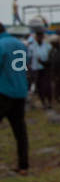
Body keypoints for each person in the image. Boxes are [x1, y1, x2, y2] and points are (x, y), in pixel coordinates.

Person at [0, 23, 30, 173]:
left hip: (3, 91)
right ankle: (23, 165)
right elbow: (25, 66)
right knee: (20, 131)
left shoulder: (1, 45)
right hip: (20, 91)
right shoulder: (20, 45)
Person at [26, 27, 52, 107]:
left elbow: (51, 56)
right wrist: (28, 69)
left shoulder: (47, 46)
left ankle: (49, 102)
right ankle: (43, 102)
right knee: (39, 86)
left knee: (48, 86)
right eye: (38, 35)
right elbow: (29, 58)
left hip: (46, 68)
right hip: (36, 69)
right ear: (36, 37)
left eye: (41, 35)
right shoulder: (31, 46)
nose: (40, 37)